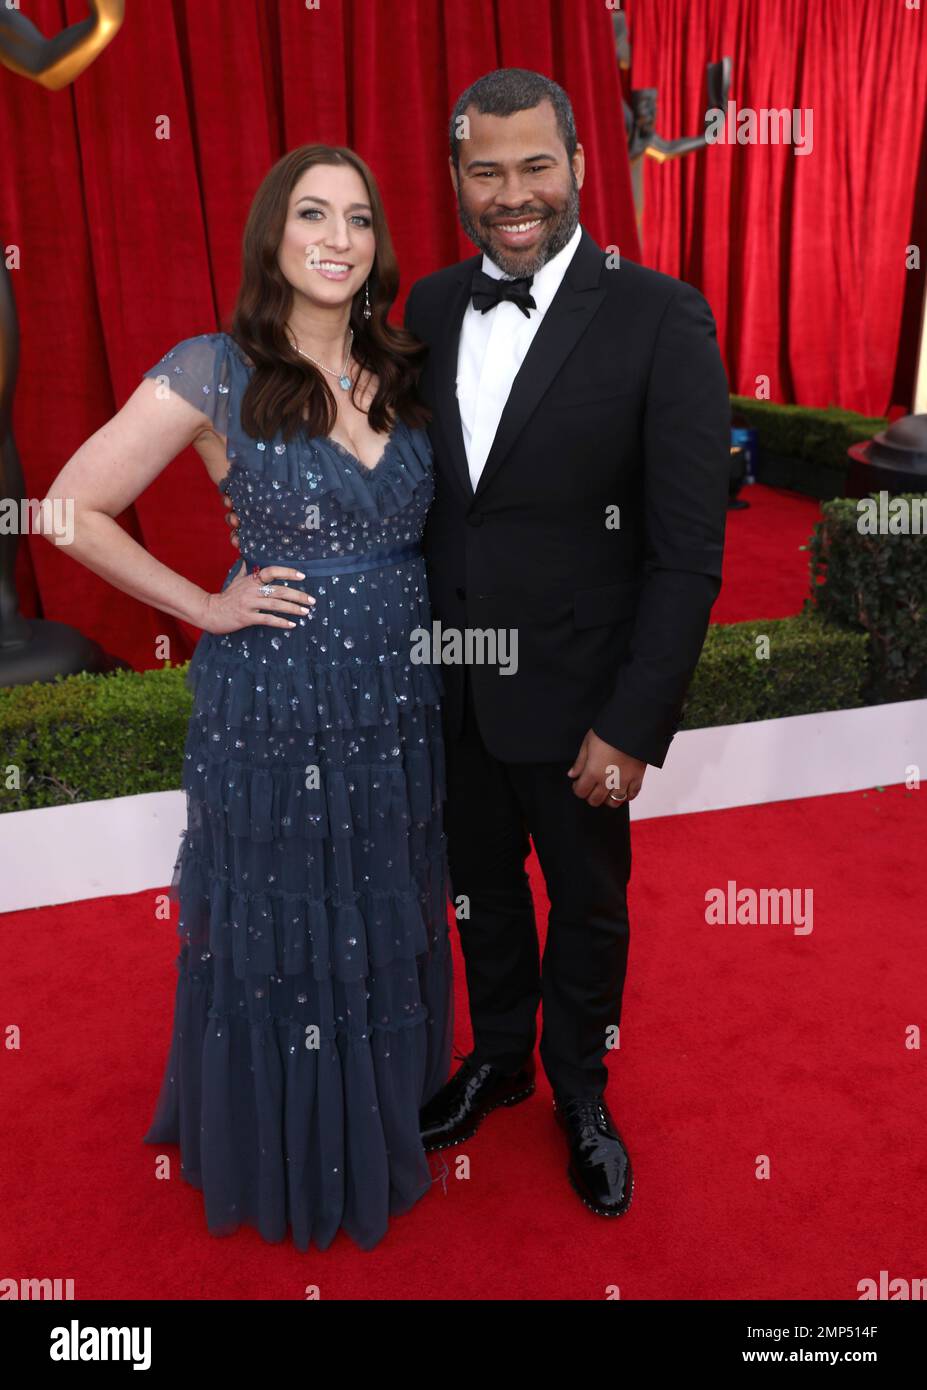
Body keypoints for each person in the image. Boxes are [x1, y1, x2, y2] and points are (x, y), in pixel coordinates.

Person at [225, 69, 732, 1221]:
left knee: (589, 908)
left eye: (535, 166)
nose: (514, 194)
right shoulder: (433, 308)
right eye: (487, 170)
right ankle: (498, 1061)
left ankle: (582, 1093)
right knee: (478, 894)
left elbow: (688, 555)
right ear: (456, 180)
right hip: (442, 693)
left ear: (579, 169)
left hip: (579, 697)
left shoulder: (662, 315)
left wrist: (633, 721)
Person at [38, 144, 452, 1252]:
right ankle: (291, 1140)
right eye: (311, 214)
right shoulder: (215, 369)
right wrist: (202, 606)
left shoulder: (404, 363)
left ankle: (379, 1110)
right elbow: (68, 509)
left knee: (379, 893)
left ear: (377, 245)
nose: (337, 237)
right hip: (276, 704)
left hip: (399, 700)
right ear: (273, 236)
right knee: (291, 914)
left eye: (358, 218)